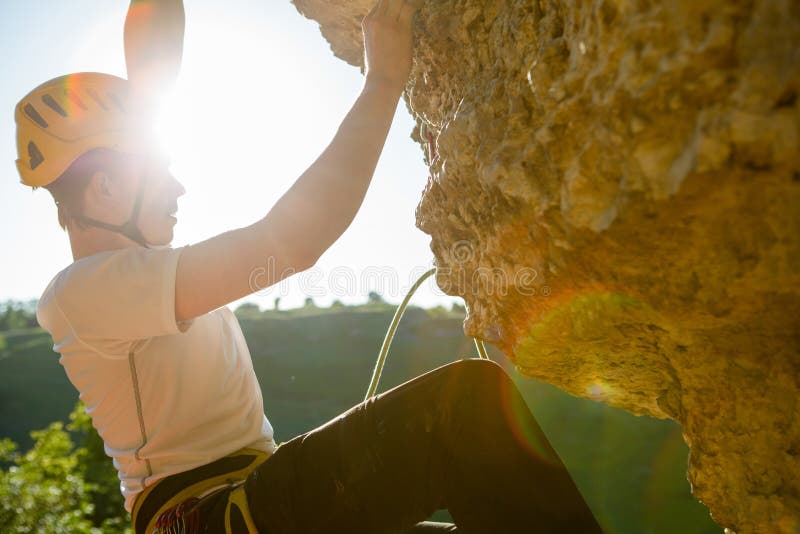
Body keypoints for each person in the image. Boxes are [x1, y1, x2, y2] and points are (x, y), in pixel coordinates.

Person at [15, 0, 603, 532]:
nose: (179, 186)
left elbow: (155, 66)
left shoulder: (137, 278)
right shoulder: (79, 295)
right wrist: (383, 81)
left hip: (247, 503)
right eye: (158, 174)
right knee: (459, 410)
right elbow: (290, 243)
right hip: (209, 515)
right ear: (107, 194)